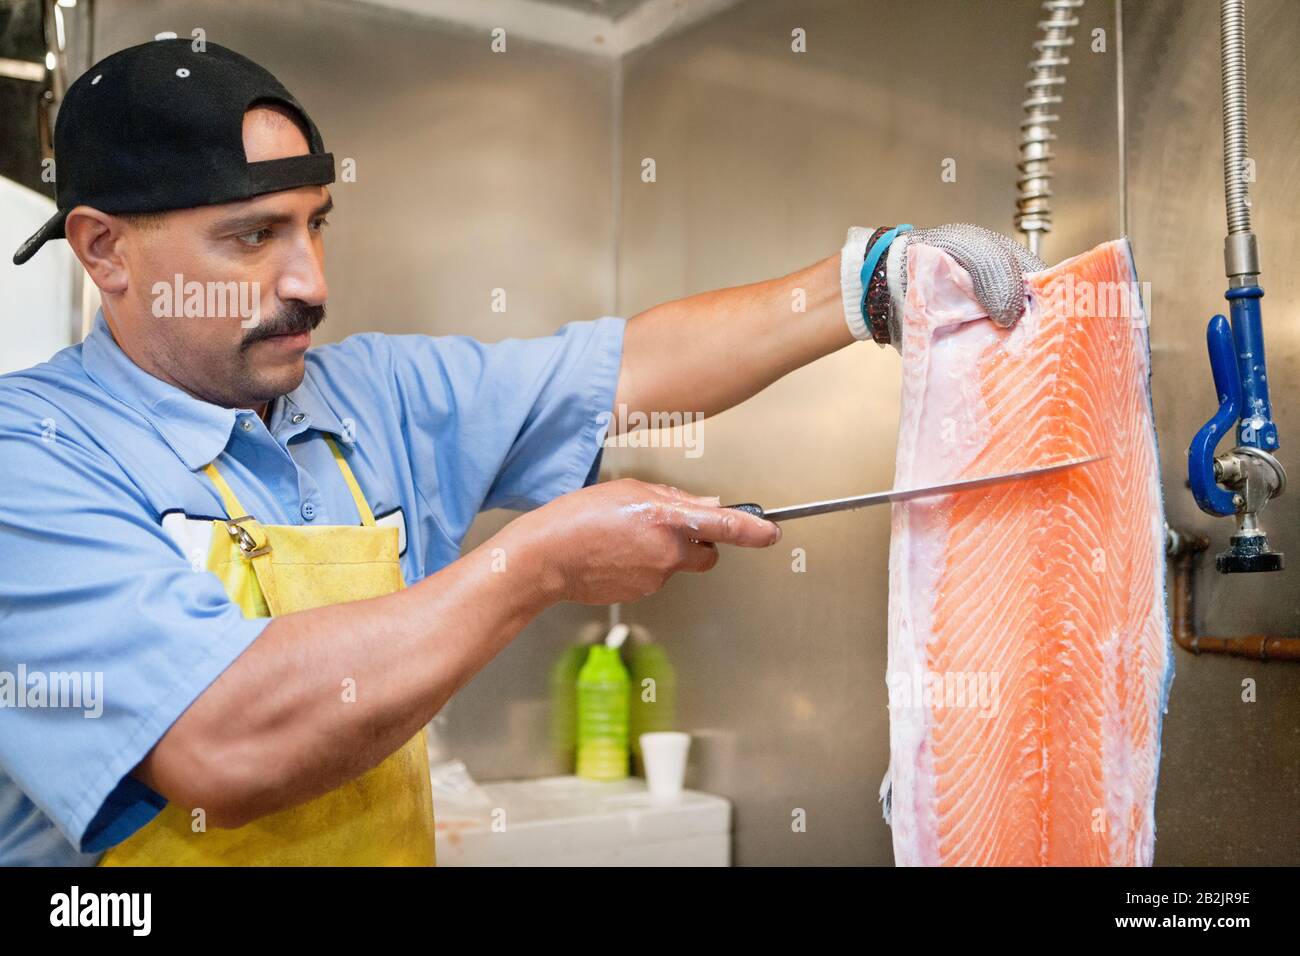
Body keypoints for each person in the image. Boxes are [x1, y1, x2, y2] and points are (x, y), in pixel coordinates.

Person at [0, 38, 1041, 865]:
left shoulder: (374, 395)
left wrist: (867, 280)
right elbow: (220, 743)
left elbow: (631, 366)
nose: (310, 280)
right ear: (105, 249)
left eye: (317, 224)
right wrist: (534, 563)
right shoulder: (32, 457)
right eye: (252, 236)